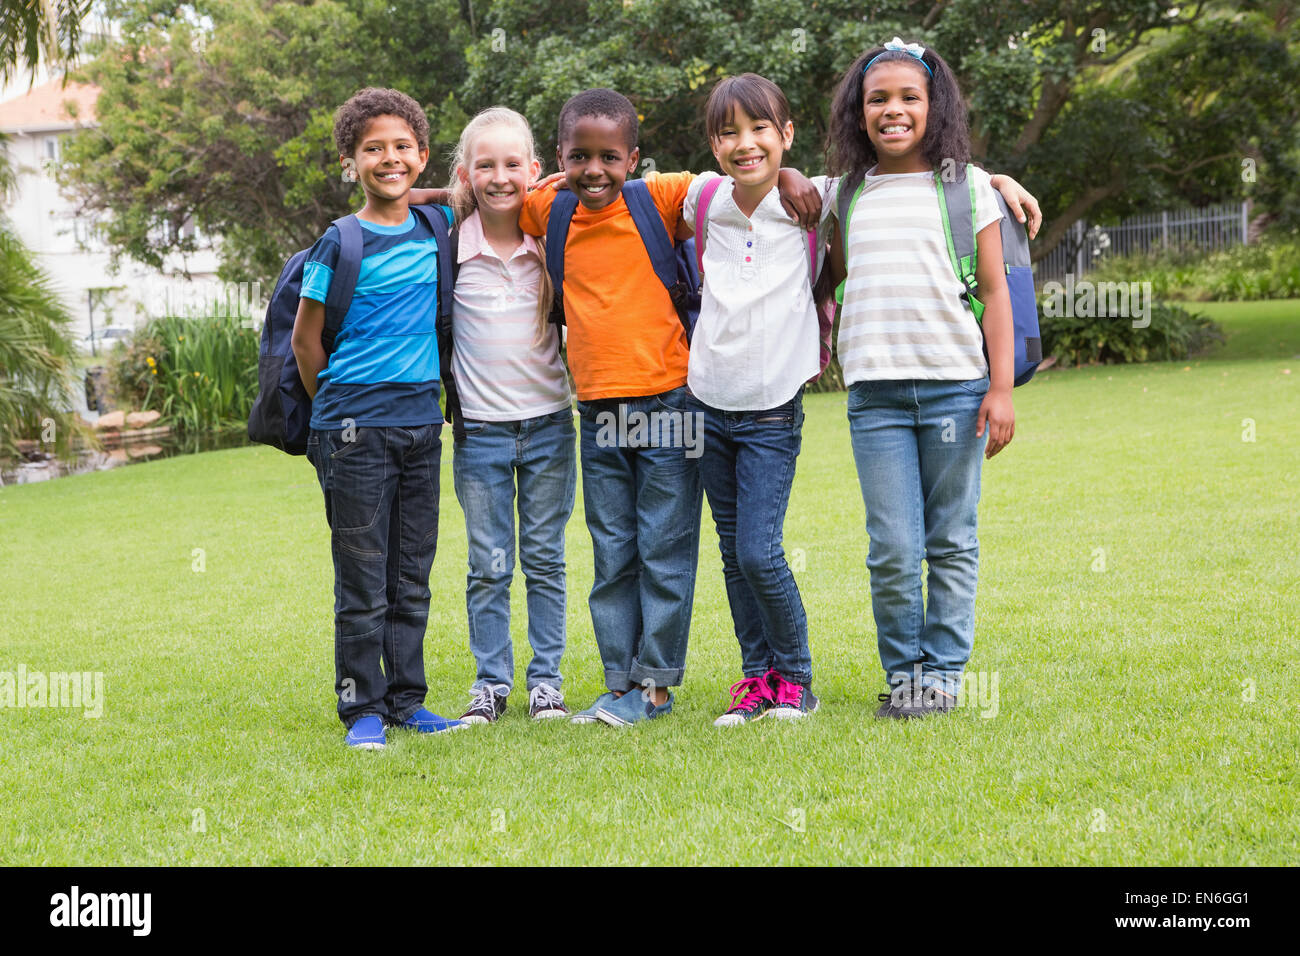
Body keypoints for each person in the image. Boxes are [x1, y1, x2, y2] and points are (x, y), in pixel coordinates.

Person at [825, 39, 1019, 719]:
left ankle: (942, 675)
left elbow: (995, 293)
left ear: (934, 108)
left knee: (952, 540)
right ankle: (905, 675)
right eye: (878, 98)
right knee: (893, 549)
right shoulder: (843, 193)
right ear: (859, 111)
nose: (894, 109)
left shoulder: (969, 187)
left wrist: (1001, 390)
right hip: (875, 398)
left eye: (910, 96)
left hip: (956, 389)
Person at [292, 87, 462, 749]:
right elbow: (308, 341)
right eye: (373, 149)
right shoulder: (339, 242)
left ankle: (406, 701)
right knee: (362, 578)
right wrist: (334, 413)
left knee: (411, 576)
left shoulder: (434, 228)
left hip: (423, 426)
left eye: (401, 147)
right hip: (353, 432)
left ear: (421, 155)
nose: (389, 159)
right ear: (348, 161)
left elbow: (473, 195)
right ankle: (361, 708)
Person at [680, 74, 832, 726]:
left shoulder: (813, 199)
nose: (745, 144)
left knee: (758, 550)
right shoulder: (703, 199)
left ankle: (795, 679)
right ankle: (755, 679)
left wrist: (998, 182)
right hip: (707, 402)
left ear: (786, 134)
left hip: (771, 410)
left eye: (759, 129)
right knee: (731, 554)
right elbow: (599, 187)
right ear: (714, 144)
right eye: (728, 132)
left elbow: (906, 177)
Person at [444, 107, 575, 724]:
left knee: (546, 559)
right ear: (466, 175)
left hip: (550, 426)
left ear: (535, 170)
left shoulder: (553, 241)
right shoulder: (449, 247)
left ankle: (546, 679)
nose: (500, 176)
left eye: (512, 164)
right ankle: (490, 683)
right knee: (488, 564)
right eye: (485, 165)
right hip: (481, 437)